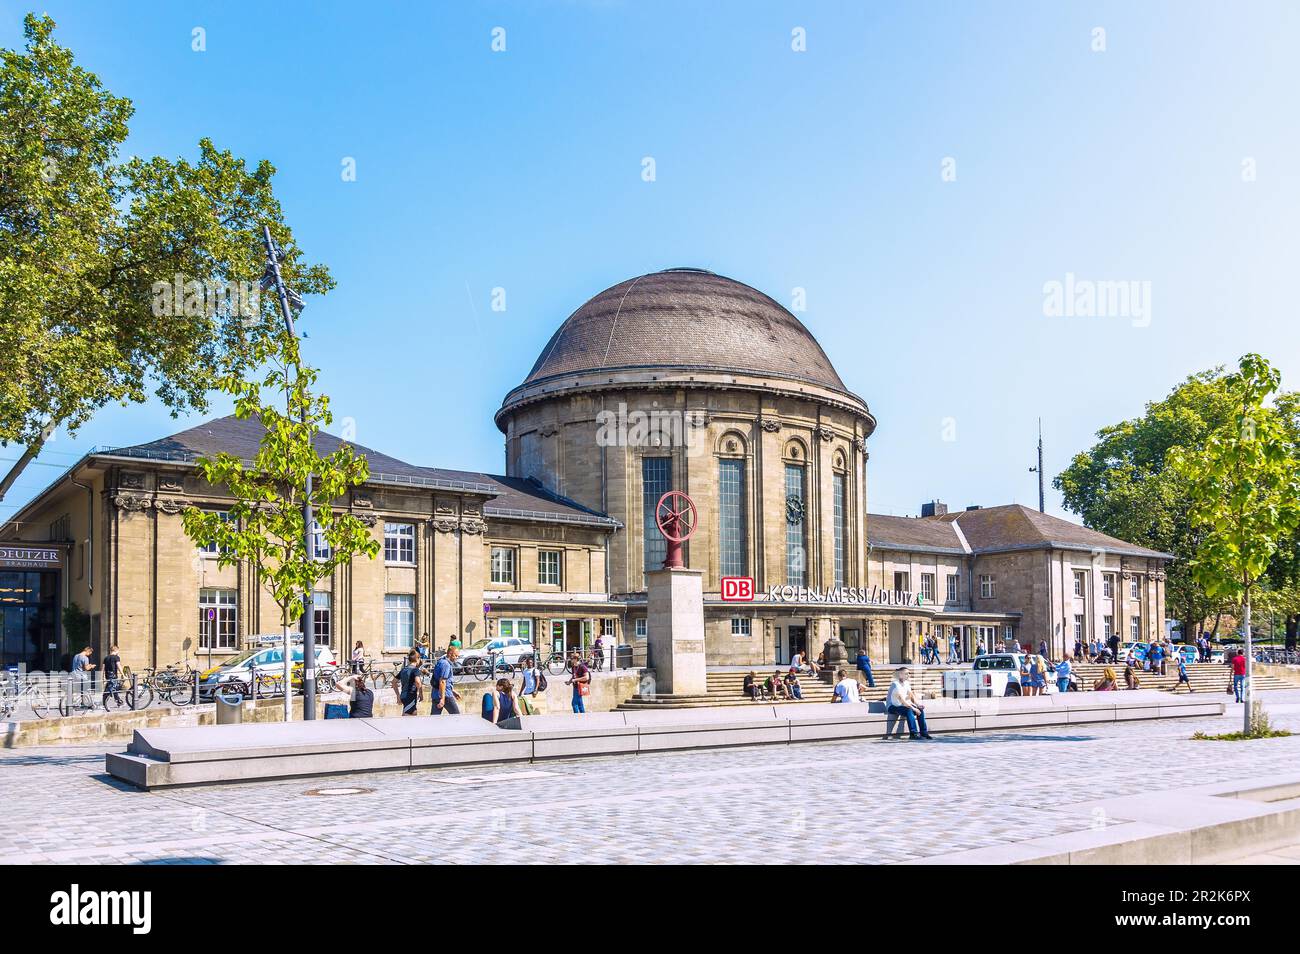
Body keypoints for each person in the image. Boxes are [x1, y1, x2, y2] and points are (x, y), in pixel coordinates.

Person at [885, 669, 931, 740]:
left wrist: (918, 705)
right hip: (893, 706)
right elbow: (901, 700)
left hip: (902, 706)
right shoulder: (895, 684)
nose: (908, 675)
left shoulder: (906, 683)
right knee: (909, 710)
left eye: (908, 673)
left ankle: (923, 732)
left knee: (920, 710)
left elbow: (911, 695)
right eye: (906, 673)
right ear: (900, 674)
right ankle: (913, 733)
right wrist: (914, 708)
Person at [431, 644, 461, 714]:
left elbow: (442, 680)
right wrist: (442, 698)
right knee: (457, 716)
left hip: (435, 694)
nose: (457, 658)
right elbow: (442, 681)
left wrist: (453, 691)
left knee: (434, 719)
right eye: (456, 656)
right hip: (446, 695)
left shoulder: (441, 661)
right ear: (450, 654)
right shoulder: (446, 664)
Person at [393, 649, 423, 716]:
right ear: (417, 659)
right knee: (407, 716)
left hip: (404, 695)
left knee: (413, 712)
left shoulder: (404, 669)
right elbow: (418, 682)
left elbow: (393, 682)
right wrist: (421, 693)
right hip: (410, 695)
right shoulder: (415, 670)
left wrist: (398, 695)